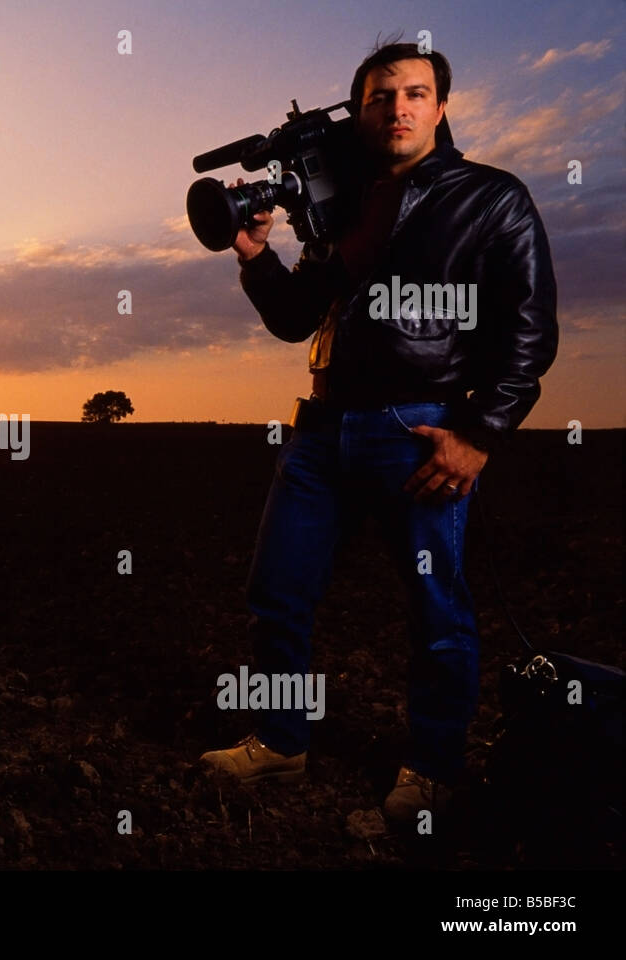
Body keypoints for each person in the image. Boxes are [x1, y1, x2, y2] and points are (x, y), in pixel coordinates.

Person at [198, 40, 558, 826]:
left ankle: (433, 769)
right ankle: (281, 741)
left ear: (441, 108)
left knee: (436, 609)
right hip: (322, 428)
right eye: (380, 97)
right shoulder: (342, 209)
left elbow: (530, 332)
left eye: (415, 94)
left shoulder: (492, 198)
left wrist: (480, 432)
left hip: (420, 429)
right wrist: (256, 258)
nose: (397, 108)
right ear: (360, 113)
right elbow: (297, 318)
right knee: (276, 593)